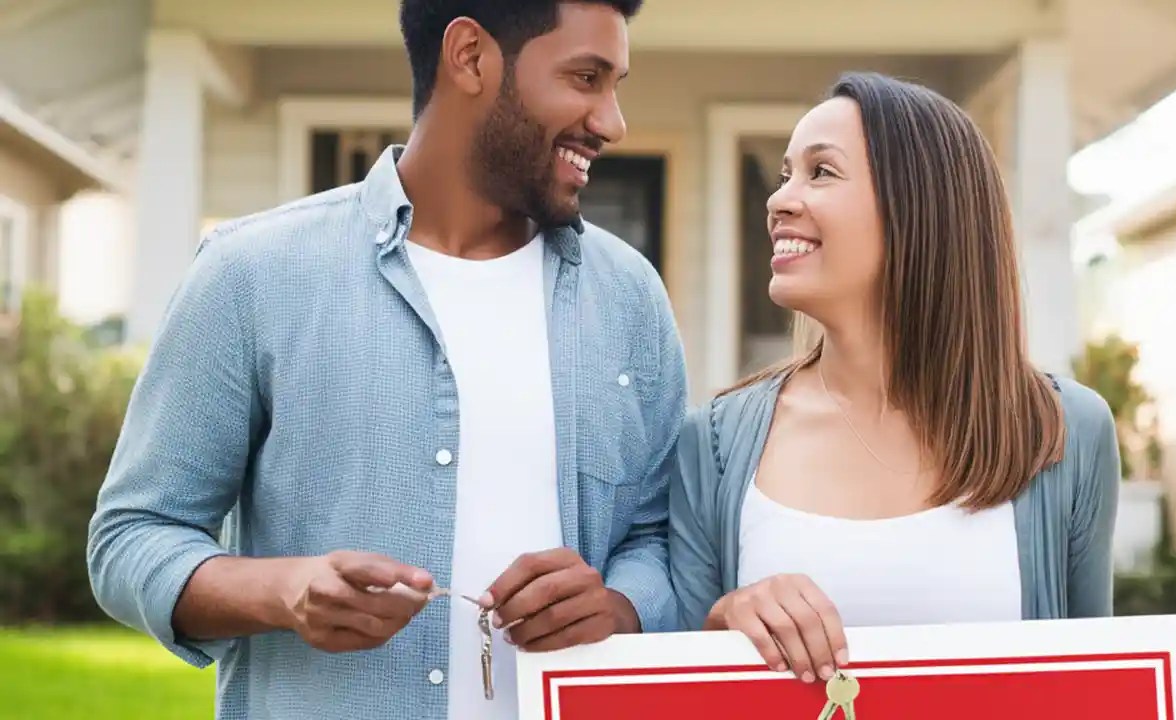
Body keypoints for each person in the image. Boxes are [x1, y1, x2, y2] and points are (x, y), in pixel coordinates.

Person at [87, 1, 686, 718]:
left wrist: (621, 606)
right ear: (469, 56)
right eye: (586, 78)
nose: (611, 121)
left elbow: (661, 535)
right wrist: (284, 592)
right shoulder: (252, 275)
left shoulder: (630, 298)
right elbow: (131, 538)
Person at [668, 72, 1121, 687]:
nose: (780, 200)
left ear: (919, 207)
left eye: (821, 172)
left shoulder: (1066, 432)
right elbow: (675, 684)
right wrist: (723, 624)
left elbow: (1095, 686)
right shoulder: (714, 445)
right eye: (784, 175)